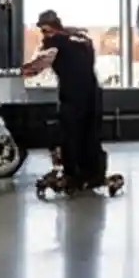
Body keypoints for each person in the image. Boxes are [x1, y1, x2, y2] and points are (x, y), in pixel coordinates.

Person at [22, 10, 106, 191]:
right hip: (93, 93)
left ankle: (73, 176)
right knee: (91, 134)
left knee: (70, 135)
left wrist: (18, 72)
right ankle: (94, 174)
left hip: (73, 96)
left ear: (48, 28)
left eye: (43, 30)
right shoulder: (81, 39)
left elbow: (37, 67)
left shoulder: (53, 43)